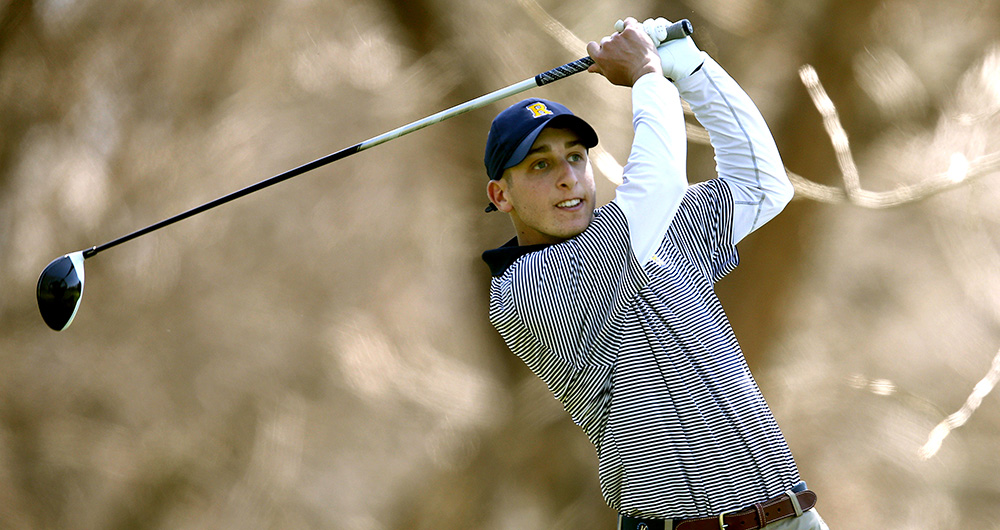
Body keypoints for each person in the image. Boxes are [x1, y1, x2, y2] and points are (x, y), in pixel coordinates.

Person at [481, 16, 830, 530]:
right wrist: (647, 75)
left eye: (575, 157)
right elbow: (659, 185)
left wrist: (689, 67)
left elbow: (762, 186)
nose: (568, 178)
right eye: (540, 165)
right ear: (501, 195)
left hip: (791, 515)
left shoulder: (648, 230)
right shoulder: (527, 287)